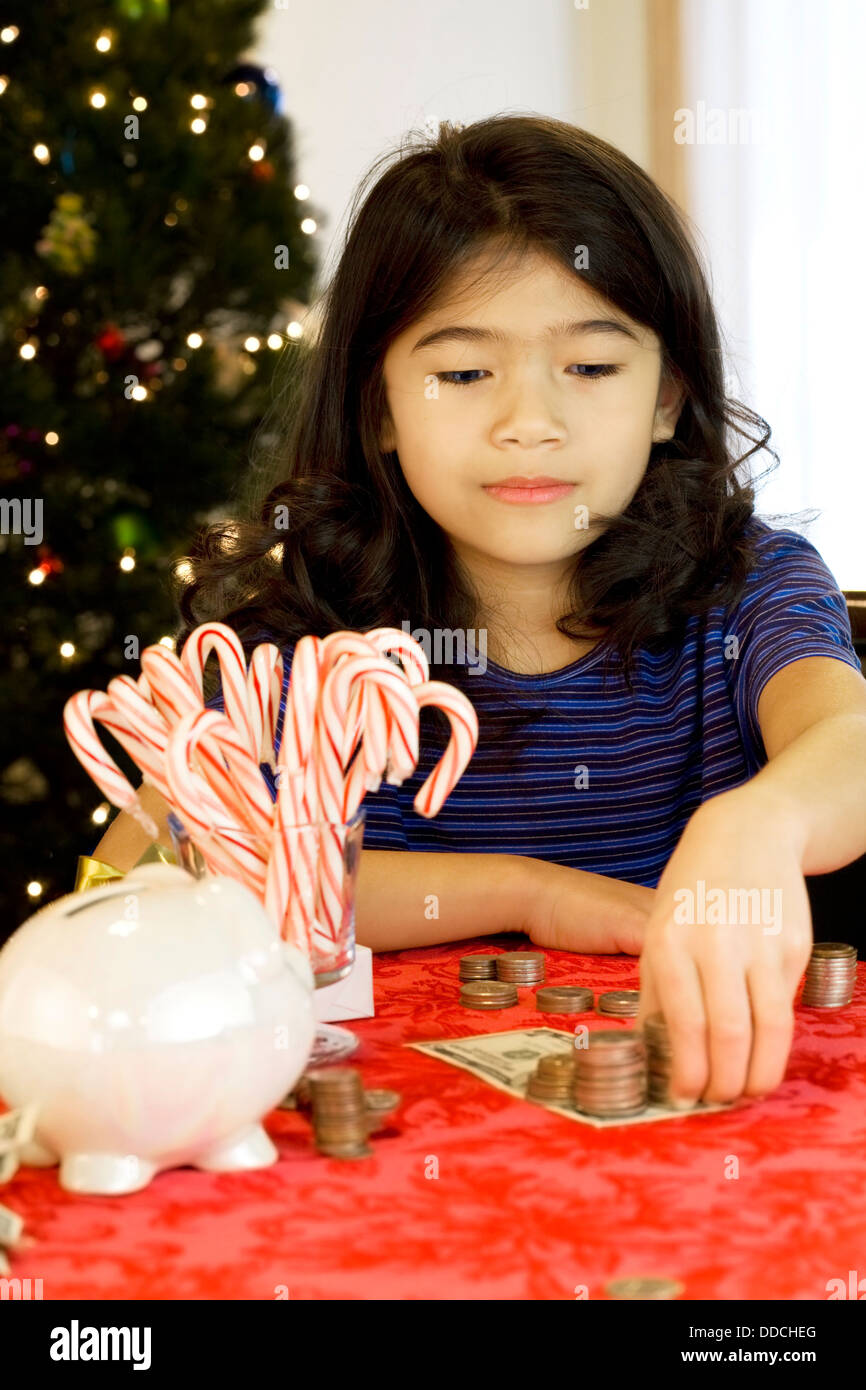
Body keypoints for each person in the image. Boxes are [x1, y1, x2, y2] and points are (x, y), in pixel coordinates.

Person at [91, 115, 866, 1110]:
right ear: (379, 408)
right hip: (380, 1175)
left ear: (667, 398)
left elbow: (843, 741)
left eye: (590, 368)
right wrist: (530, 892)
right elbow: (136, 890)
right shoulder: (302, 647)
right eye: (460, 373)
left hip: (702, 1156)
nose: (527, 423)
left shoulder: (744, 589)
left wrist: (758, 818)